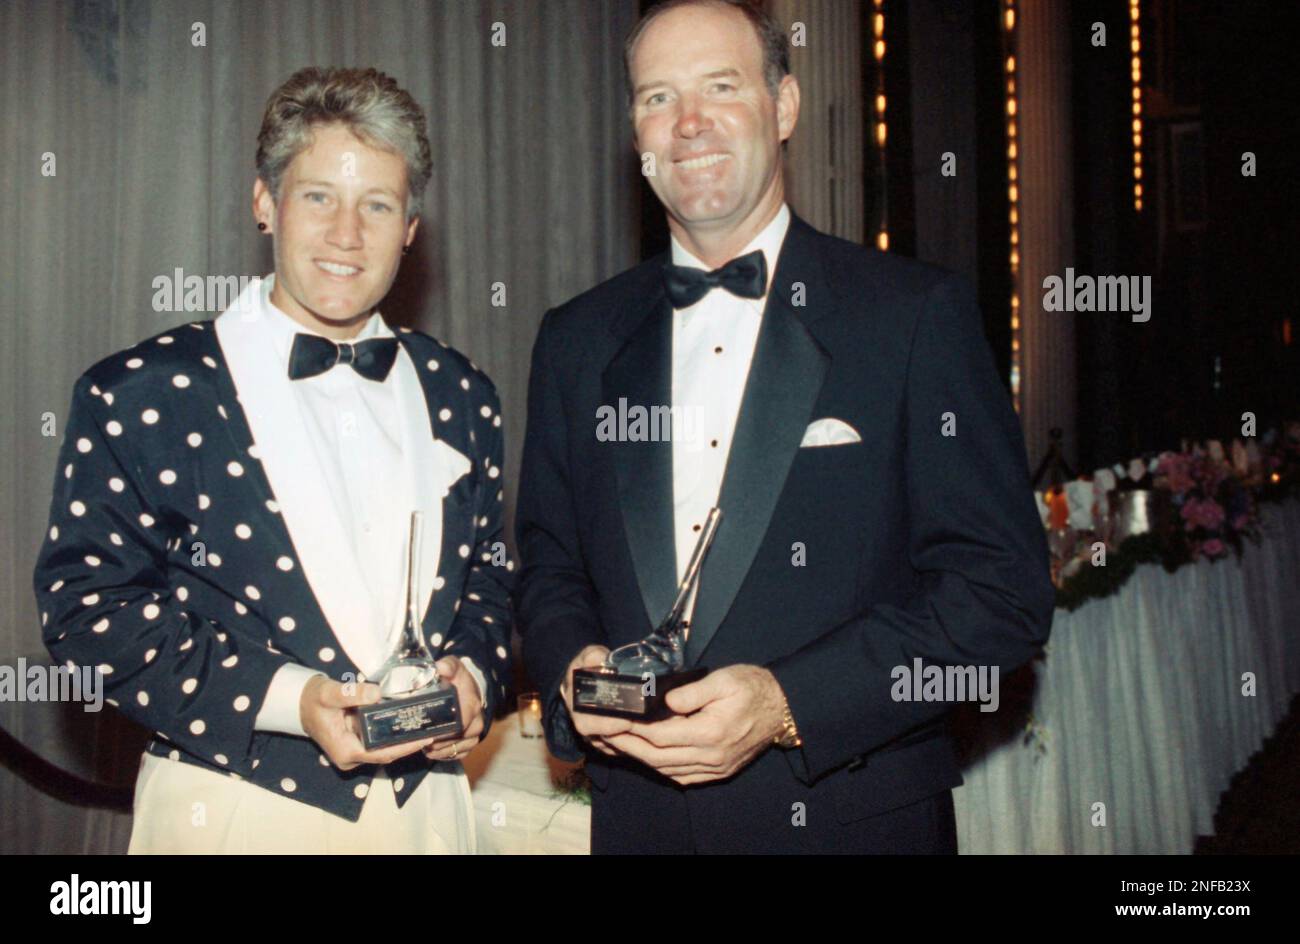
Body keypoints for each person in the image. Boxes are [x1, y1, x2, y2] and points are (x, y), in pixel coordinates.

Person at [516, 0, 1054, 853]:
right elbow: (548, 561)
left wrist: (786, 705)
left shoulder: (913, 316)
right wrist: (571, 664)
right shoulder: (576, 338)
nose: (688, 122)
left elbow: (1001, 597)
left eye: (720, 87)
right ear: (636, 134)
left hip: (850, 823)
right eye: (657, 98)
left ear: (786, 106)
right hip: (637, 828)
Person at [34, 66, 512, 853]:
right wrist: (295, 701)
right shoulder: (144, 392)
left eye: (378, 205)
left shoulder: (463, 393)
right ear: (266, 202)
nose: (347, 235)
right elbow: (88, 610)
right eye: (318, 196)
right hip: (228, 807)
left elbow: (492, 581)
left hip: (432, 816)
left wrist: (477, 679)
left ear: (412, 228)